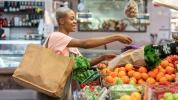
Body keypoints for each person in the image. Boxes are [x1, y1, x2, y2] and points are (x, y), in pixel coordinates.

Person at [40, 7, 132, 100]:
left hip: (62, 88)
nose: (75, 21)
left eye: (75, 18)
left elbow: (85, 64)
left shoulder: (70, 44)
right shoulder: (56, 36)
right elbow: (85, 44)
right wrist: (116, 37)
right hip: (51, 88)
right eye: (72, 19)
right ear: (62, 21)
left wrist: (102, 58)